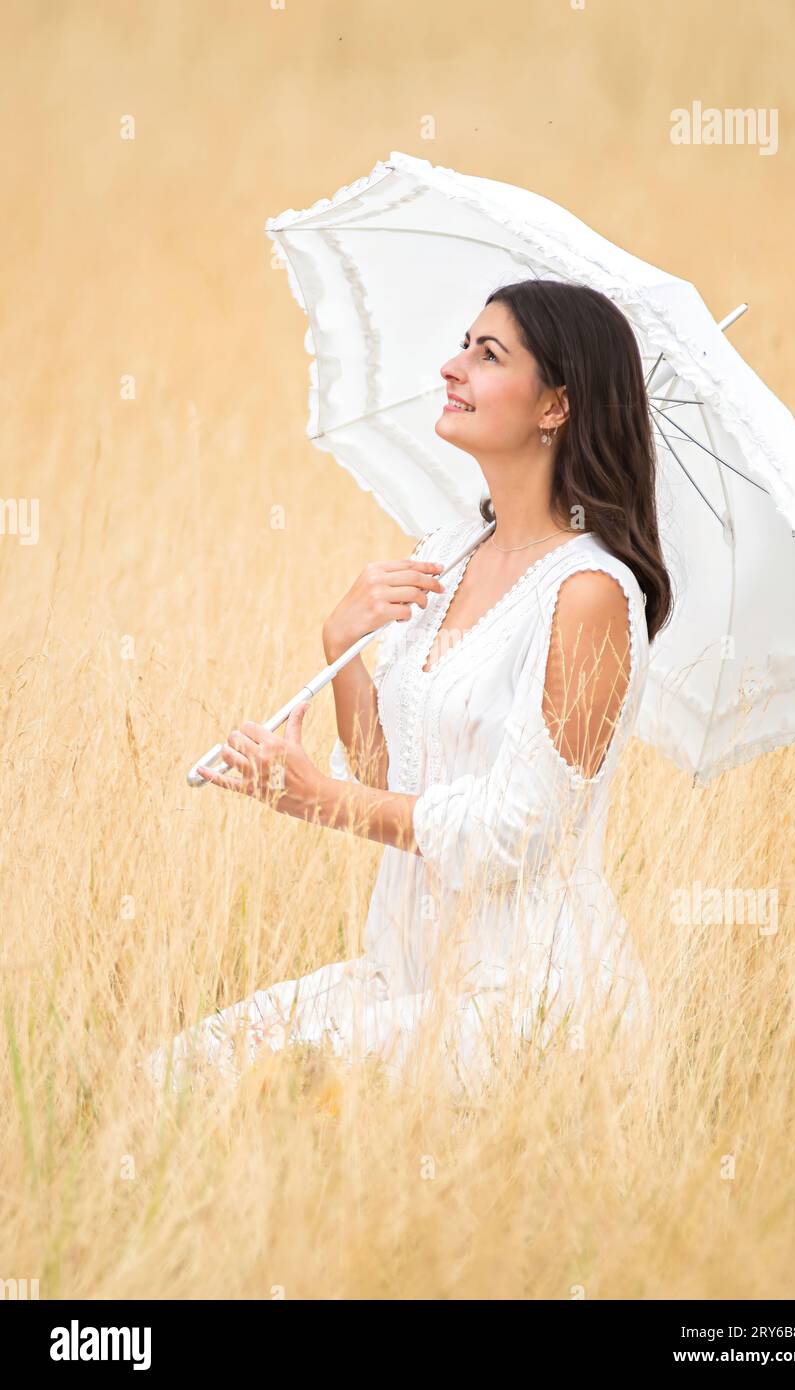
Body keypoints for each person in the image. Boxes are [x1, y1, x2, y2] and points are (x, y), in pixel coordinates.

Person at [146, 279, 673, 1100]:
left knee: (278, 1092)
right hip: (401, 970)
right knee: (180, 1074)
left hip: (521, 998)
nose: (451, 366)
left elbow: (518, 834)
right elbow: (391, 780)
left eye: (487, 354)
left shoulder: (590, 592)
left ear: (555, 407)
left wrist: (318, 799)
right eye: (463, 343)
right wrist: (344, 645)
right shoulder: (449, 553)